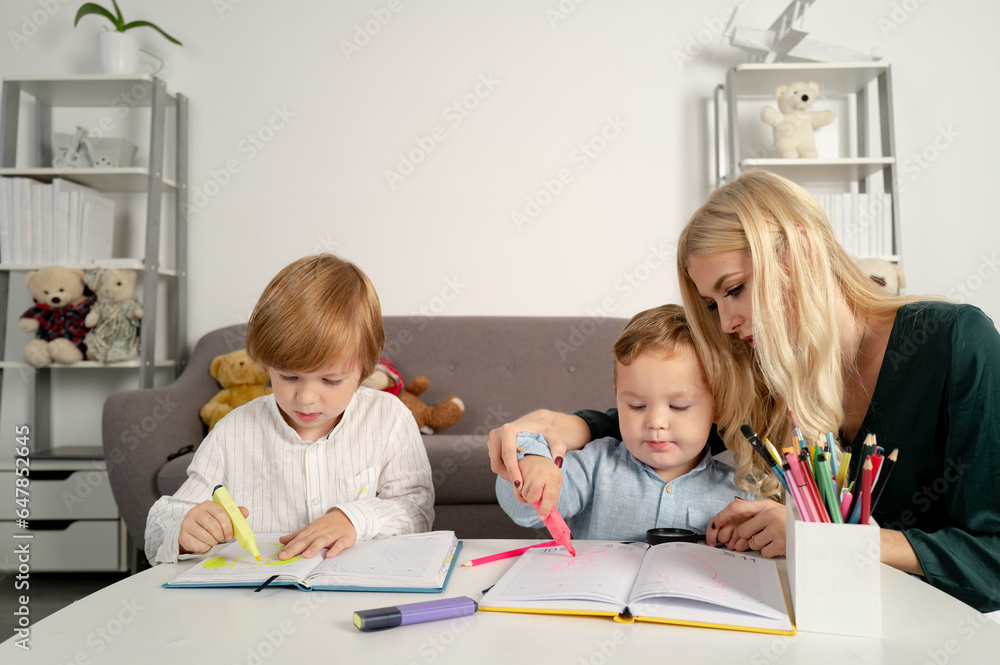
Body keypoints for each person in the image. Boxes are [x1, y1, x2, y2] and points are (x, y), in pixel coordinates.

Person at [489, 171, 1000, 613]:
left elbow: (992, 559)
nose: (728, 322)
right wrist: (571, 428)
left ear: (799, 250)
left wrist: (830, 542)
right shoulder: (763, 362)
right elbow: (674, 427)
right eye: (712, 305)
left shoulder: (955, 344)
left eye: (734, 289)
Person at [145, 254, 434, 565]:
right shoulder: (234, 431)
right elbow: (159, 528)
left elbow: (417, 510)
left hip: (355, 600)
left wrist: (354, 518)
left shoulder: (388, 418)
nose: (307, 397)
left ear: (368, 363)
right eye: (288, 376)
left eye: (331, 380)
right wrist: (184, 531)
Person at [495, 305, 752, 540]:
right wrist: (533, 463)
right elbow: (524, 511)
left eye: (678, 406)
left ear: (717, 407)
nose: (655, 422)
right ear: (617, 396)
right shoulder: (594, 466)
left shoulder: (741, 493)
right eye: (636, 406)